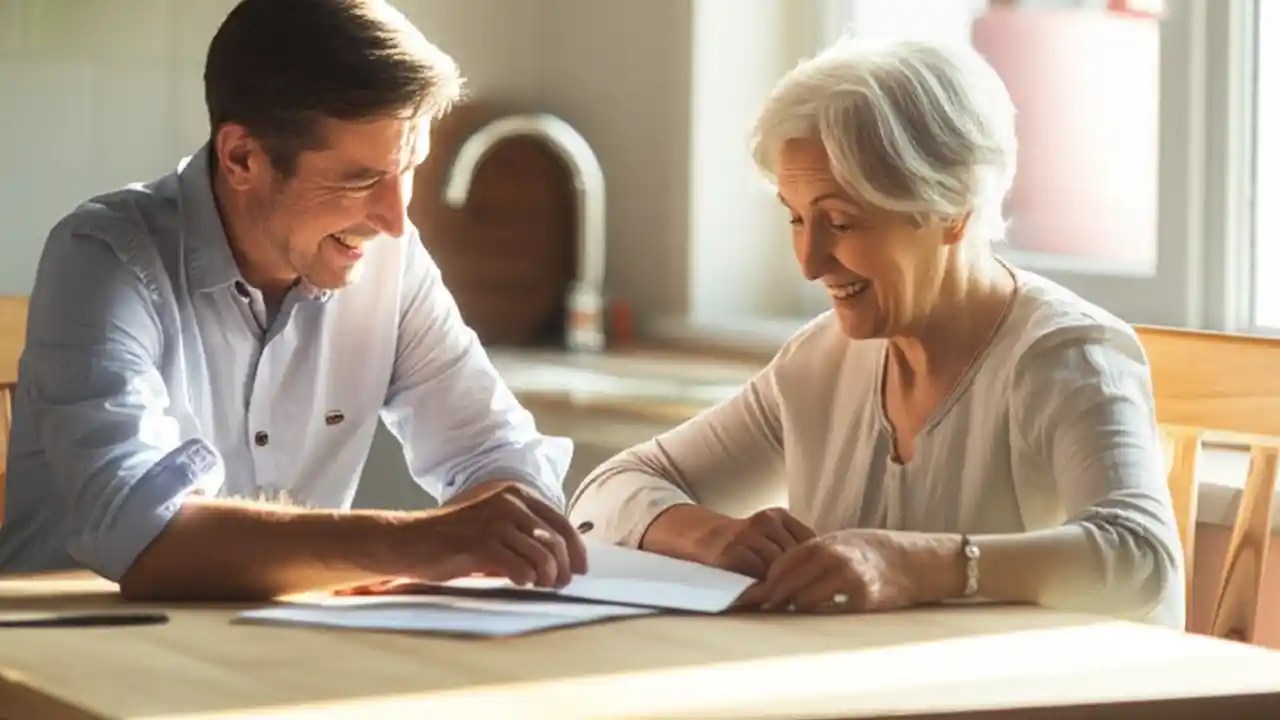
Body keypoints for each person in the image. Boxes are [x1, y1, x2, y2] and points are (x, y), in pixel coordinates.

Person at [567, 37, 1184, 627]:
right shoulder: (818, 363)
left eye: (841, 221)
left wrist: (915, 564)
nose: (810, 261)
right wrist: (715, 534)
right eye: (797, 219)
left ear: (952, 210)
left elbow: (1141, 559)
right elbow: (605, 492)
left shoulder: (1066, 357)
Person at [0, 0, 586, 600]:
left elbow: (506, 460)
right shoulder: (104, 259)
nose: (394, 219)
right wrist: (416, 541)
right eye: (360, 180)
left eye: (408, 168)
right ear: (242, 158)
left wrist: (494, 531)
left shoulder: (390, 259)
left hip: (275, 648)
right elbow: (140, 532)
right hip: (65, 655)